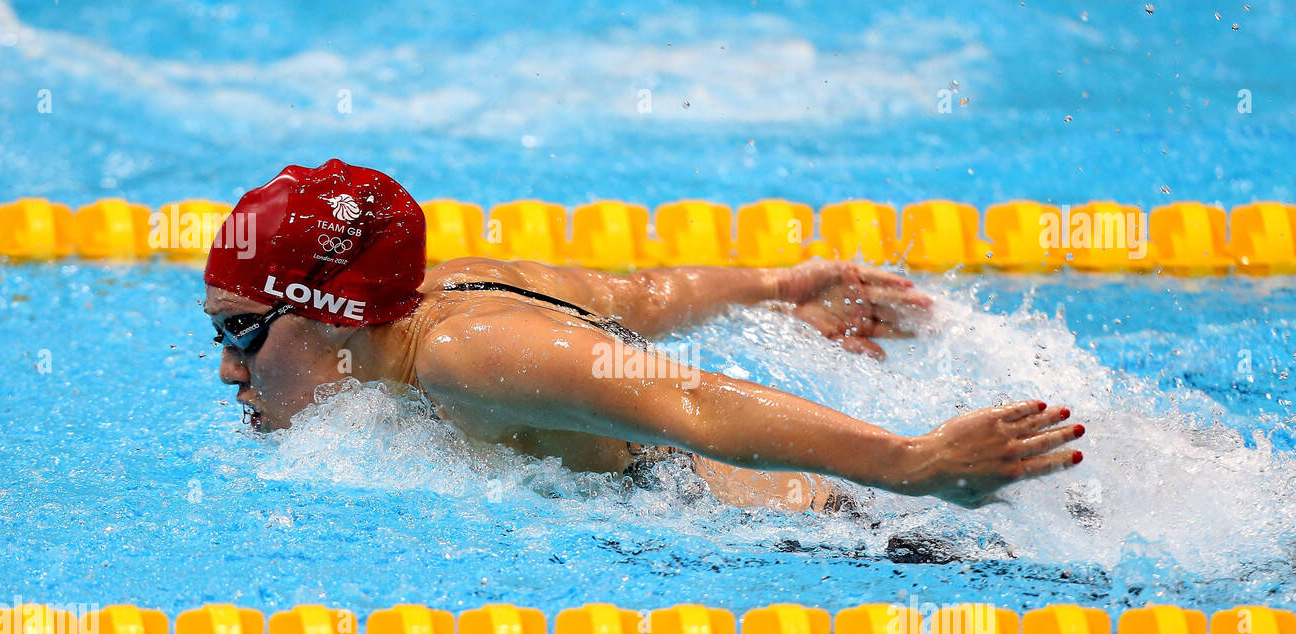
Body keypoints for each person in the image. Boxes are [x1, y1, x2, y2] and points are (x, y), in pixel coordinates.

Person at [204, 159, 1084, 512]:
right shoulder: (443, 287)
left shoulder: (460, 353)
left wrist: (911, 464)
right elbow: (641, 291)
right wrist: (778, 288)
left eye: (244, 332)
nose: (226, 370)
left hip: (838, 533)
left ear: (331, 314)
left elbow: (685, 397)